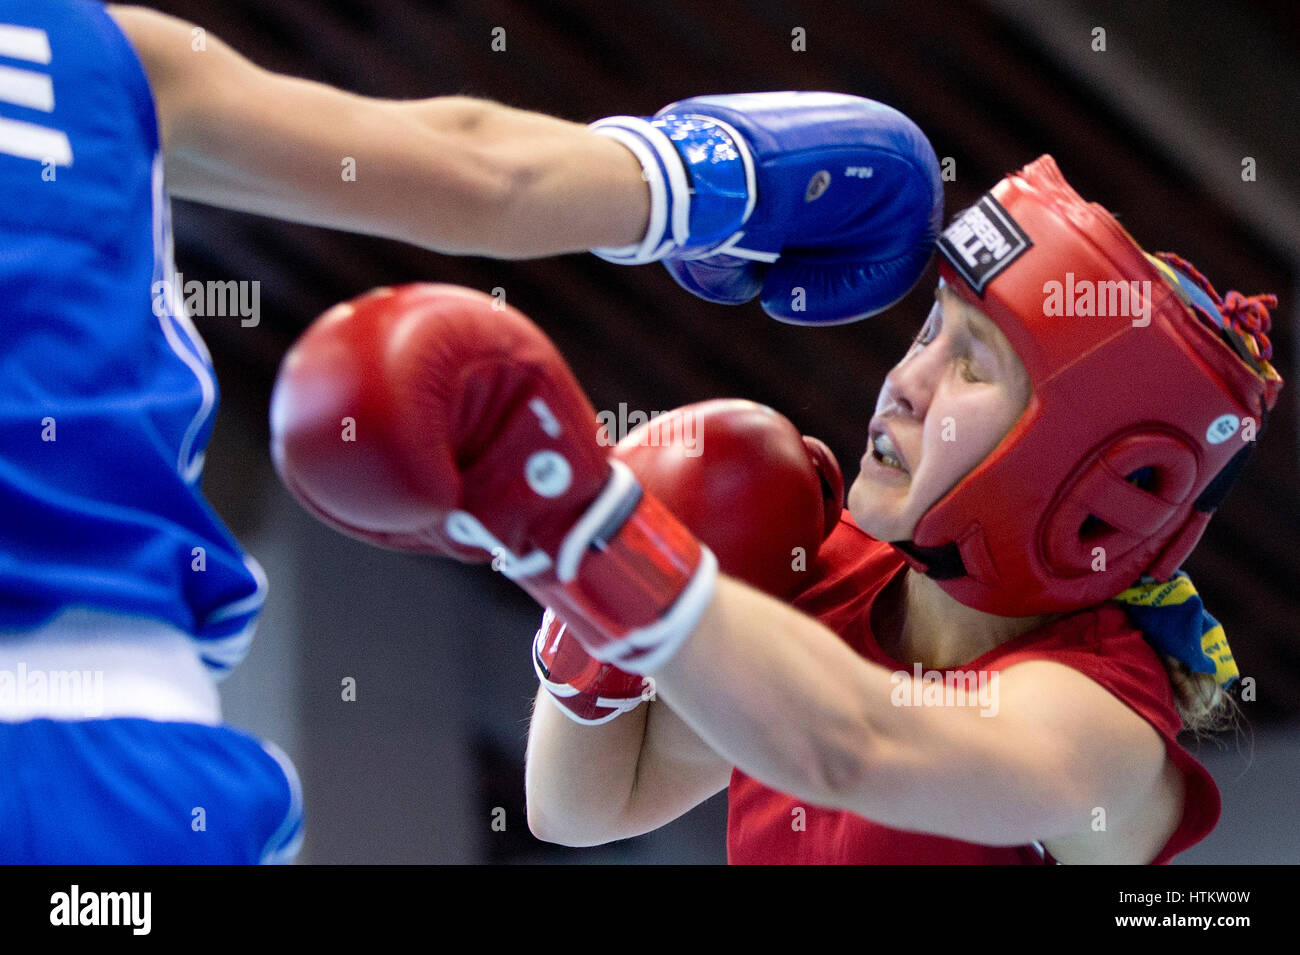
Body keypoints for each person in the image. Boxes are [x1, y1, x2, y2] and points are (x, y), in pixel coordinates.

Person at [0, 0, 940, 861]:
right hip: (122, 748)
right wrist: (717, 181)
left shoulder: (101, 46)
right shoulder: (80, 43)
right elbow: (480, 171)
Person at [270, 154, 1282, 864]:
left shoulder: (1093, 719)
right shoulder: (820, 572)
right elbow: (580, 806)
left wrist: (589, 530)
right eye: (931, 329)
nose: (905, 383)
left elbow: (856, 745)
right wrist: (577, 592)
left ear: (1092, 475)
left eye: (971, 366)